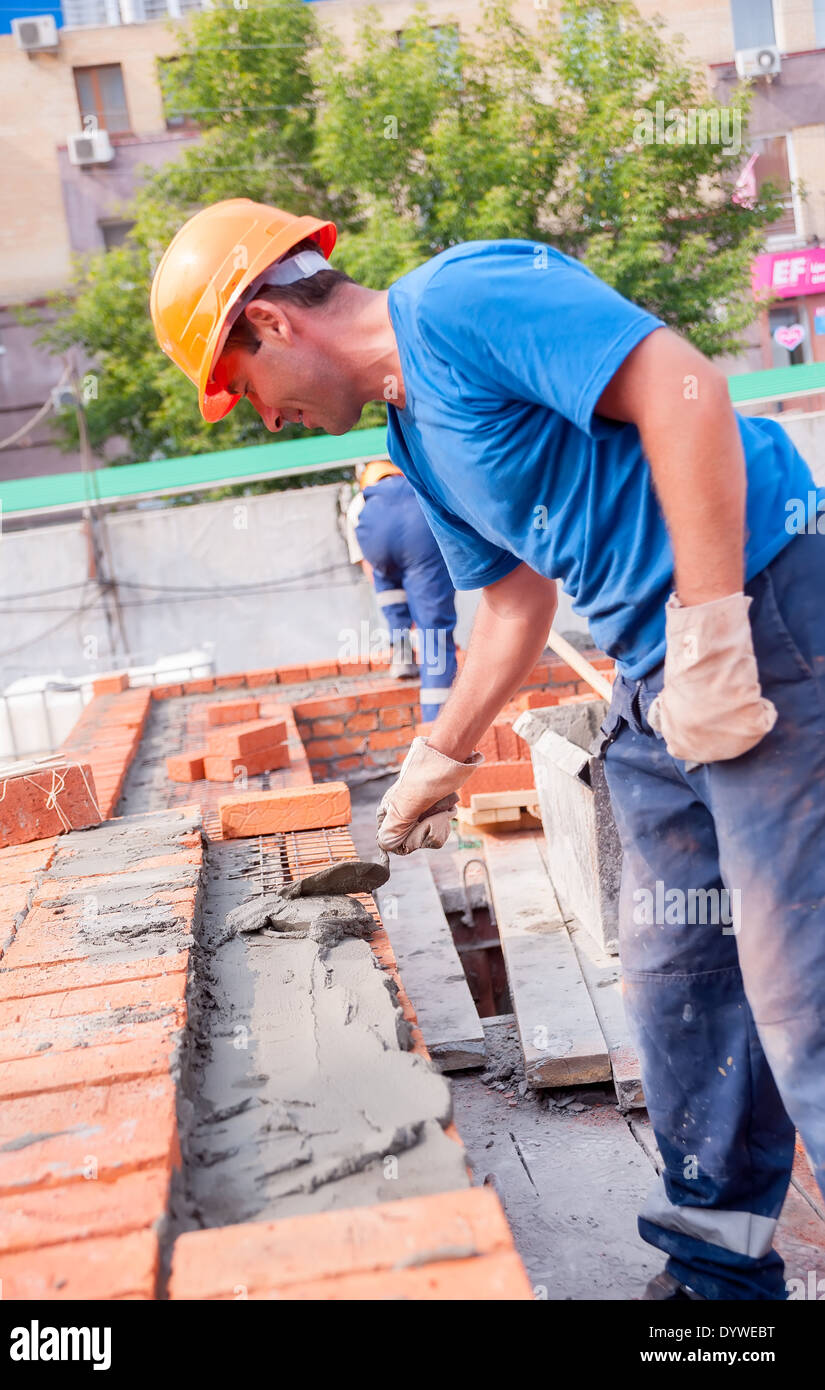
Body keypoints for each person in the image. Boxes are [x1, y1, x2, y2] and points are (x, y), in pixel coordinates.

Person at [151, 197, 825, 1301]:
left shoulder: (459, 301)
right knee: (680, 982)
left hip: (764, 612)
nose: (257, 418)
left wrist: (708, 623)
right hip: (657, 677)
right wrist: (439, 754)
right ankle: (721, 1283)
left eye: (241, 391)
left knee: (802, 998)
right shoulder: (409, 437)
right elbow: (511, 606)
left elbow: (684, 387)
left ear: (270, 323)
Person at [344, 457, 458, 717]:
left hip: (378, 545)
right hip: (421, 529)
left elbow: (369, 566)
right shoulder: (418, 487)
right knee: (434, 634)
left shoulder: (359, 503)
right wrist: (427, 610)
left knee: (386, 583)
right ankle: (435, 715)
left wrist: (403, 614)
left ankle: (402, 654)